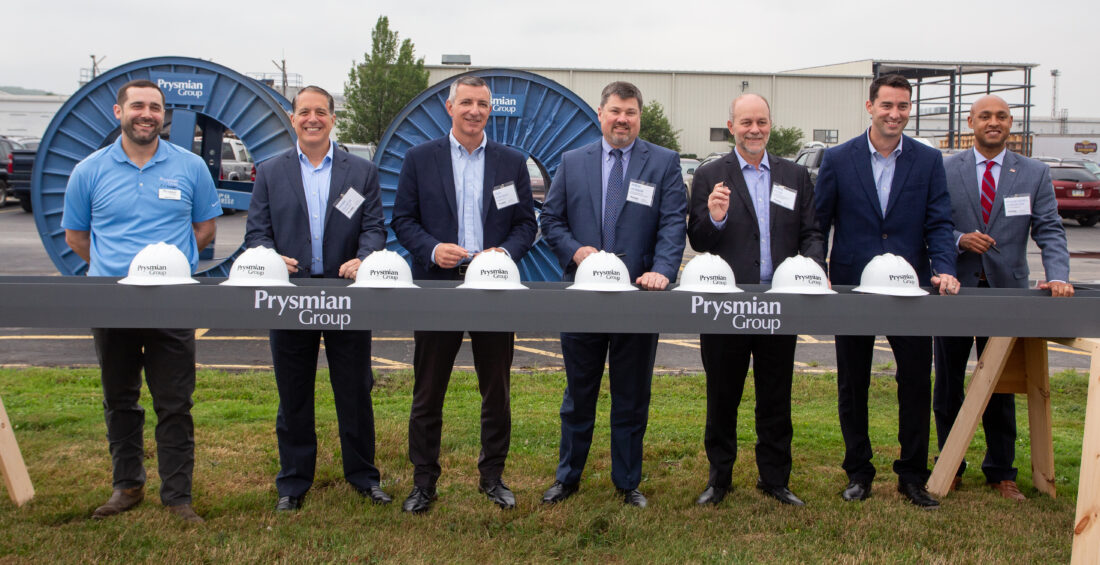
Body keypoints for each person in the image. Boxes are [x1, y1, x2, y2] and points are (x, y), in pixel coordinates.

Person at [61, 79, 221, 523]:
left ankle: (178, 497)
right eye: (137, 106)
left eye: (154, 106)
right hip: (112, 302)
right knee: (120, 400)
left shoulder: (189, 167)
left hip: (172, 303)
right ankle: (126, 486)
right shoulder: (89, 171)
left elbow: (206, 229)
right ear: (119, 112)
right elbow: (76, 236)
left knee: (175, 402)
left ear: (163, 114)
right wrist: (121, 274)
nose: (146, 113)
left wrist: (167, 269)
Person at [813, 73, 960, 509]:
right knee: (852, 381)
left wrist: (945, 269)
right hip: (852, 287)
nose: (895, 114)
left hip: (908, 290)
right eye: (887, 105)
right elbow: (819, 224)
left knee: (916, 380)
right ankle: (858, 472)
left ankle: (912, 475)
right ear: (870, 106)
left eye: (902, 106)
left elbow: (939, 222)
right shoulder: (838, 159)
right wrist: (817, 269)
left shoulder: (928, 160)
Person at [391, 75, 537, 513]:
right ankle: (424, 482)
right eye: (467, 102)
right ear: (449, 108)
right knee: (428, 389)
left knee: (496, 389)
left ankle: (492, 477)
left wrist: (503, 254)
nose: (475, 110)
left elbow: (526, 224)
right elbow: (403, 220)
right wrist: (434, 250)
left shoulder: (511, 162)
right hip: (439, 287)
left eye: (483, 104)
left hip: (493, 288)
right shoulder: (420, 159)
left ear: (491, 111)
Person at [539, 81, 687, 508]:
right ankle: (567, 478)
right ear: (601, 114)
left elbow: (673, 222)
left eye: (631, 113)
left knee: (631, 396)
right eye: (615, 111)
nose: (623, 119)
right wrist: (575, 250)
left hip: (639, 299)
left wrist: (662, 271)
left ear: (639, 117)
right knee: (577, 397)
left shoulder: (663, 162)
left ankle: (627, 483)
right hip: (584, 298)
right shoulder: (572, 161)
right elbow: (551, 219)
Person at [245, 85, 389, 511]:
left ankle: (364, 477)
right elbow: (256, 232)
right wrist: (271, 259)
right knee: (293, 394)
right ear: (293, 119)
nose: (313, 119)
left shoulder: (360, 172)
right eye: (304, 112)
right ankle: (292, 483)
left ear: (332, 118)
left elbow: (375, 228)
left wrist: (364, 259)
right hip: (291, 296)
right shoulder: (270, 171)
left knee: (355, 391)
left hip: (347, 295)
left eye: (321, 112)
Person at [687, 93, 825, 507]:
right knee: (722, 395)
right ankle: (719, 480)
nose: (754, 129)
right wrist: (713, 216)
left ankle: (775, 479)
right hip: (727, 302)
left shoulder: (794, 175)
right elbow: (697, 239)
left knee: (776, 395)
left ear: (770, 125)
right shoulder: (711, 174)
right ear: (731, 126)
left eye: (761, 121)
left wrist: (813, 269)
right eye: (746, 122)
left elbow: (811, 232)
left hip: (780, 302)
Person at [933, 95, 1073, 501]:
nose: (993, 123)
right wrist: (960, 240)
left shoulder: (1033, 172)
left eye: (1001, 116)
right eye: (984, 117)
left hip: (1006, 293)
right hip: (955, 291)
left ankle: (1001, 471)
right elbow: (935, 225)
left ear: (1011, 123)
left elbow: (1049, 229)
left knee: (1001, 385)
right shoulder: (945, 169)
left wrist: (1059, 276)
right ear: (970, 122)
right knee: (948, 385)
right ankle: (950, 464)